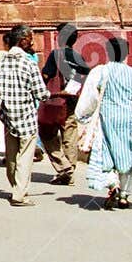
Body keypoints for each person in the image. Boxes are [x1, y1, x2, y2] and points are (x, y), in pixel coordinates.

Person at [75, 36, 132, 209]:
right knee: (127, 156)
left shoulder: (100, 71)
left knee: (107, 154)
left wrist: (82, 114)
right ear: (127, 53)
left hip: (107, 119)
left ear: (108, 53)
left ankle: (113, 185)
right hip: (129, 121)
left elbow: (90, 96)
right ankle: (124, 196)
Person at [0, 24, 49, 207]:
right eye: (30, 38)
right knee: (25, 158)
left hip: (8, 117)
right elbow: (40, 92)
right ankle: (19, 194)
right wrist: (49, 95)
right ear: (23, 40)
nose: (32, 41)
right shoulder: (28, 63)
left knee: (11, 157)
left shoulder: (1, 62)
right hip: (26, 117)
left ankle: (15, 186)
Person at [40, 23, 88, 184]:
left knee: (47, 134)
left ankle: (63, 167)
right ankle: (70, 172)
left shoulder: (56, 54)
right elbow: (82, 78)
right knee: (70, 136)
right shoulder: (79, 57)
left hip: (55, 101)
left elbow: (46, 75)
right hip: (72, 101)